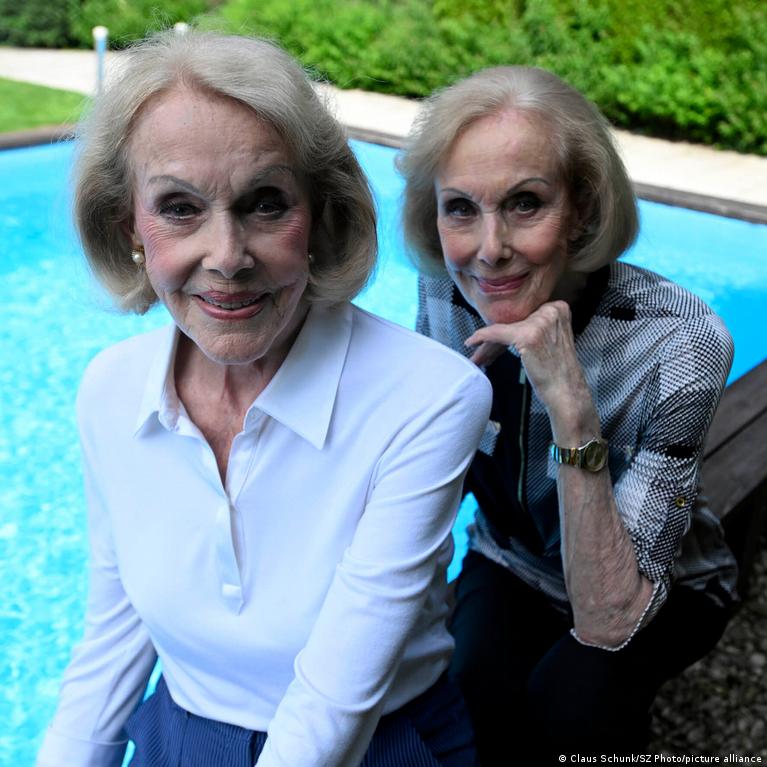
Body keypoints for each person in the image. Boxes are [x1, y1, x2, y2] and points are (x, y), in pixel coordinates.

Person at [36, 31, 493, 767]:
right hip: (181, 735)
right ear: (130, 228)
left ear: (319, 216)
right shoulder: (109, 390)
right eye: (179, 208)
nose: (227, 257)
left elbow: (334, 698)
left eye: (265, 203)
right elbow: (115, 636)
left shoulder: (431, 397)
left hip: (378, 744)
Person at [397, 65, 738, 763]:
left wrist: (571, 405)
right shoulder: (447, 290)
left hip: (664, 585)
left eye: (525, 203)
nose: (488, 249)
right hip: (512, 558)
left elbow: (611, 616)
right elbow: (429, 467)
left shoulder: (679, 339)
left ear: (582, 208)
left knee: (572, 710)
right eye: (459, 208)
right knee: (466, 697)